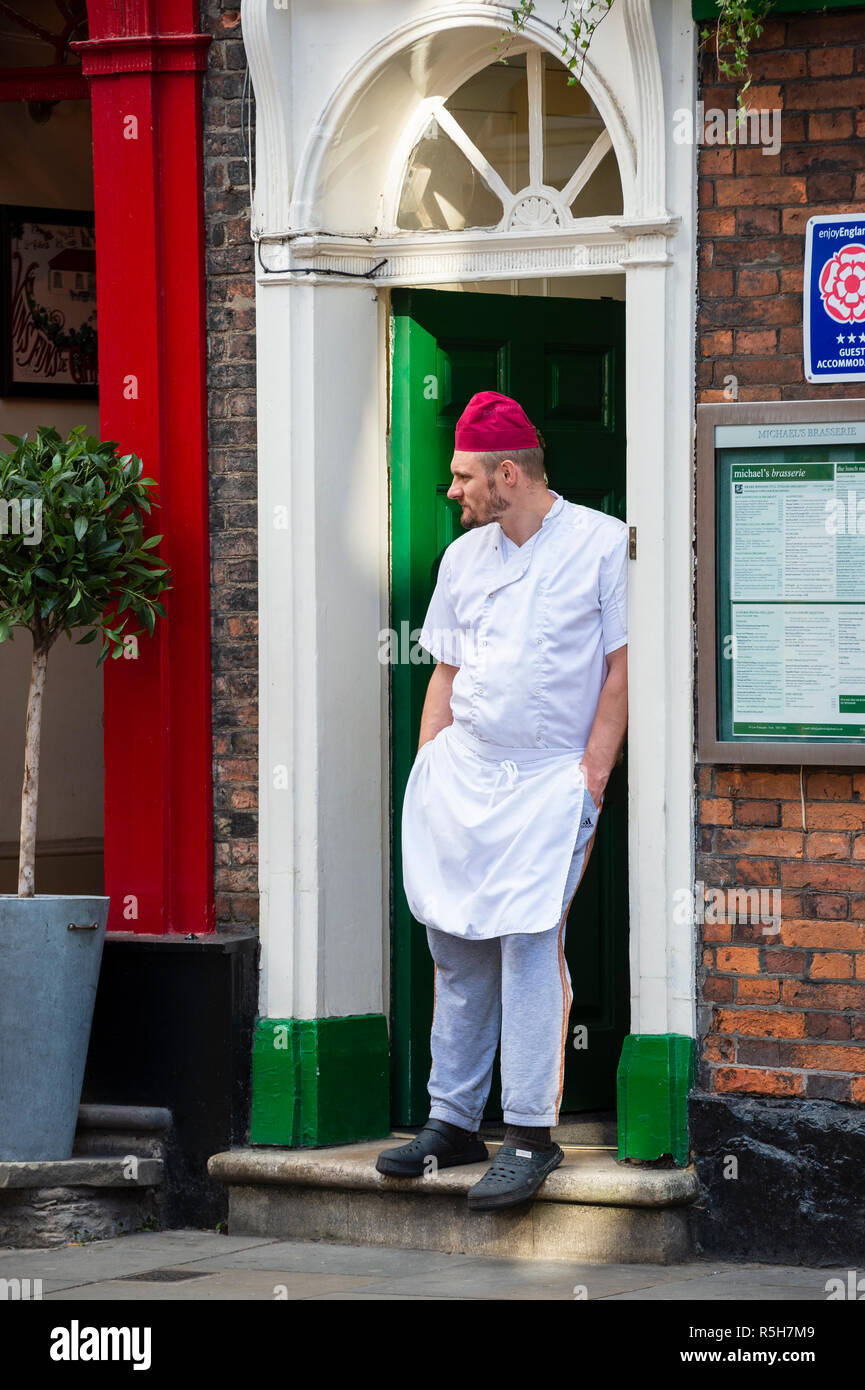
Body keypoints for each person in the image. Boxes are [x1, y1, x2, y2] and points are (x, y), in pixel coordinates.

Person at [376, 390, 629, 1211]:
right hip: (463, 777)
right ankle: (450, 1121)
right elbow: (444, 673)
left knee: (529, 948)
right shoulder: (464, 559)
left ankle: (528, 1135)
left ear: (507, 474)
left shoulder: (601, 545)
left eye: (462, 476)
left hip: (551, 782)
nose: (452, 491)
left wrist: (590, 780)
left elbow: (623, 673)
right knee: (454, 945)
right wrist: (425, 778)